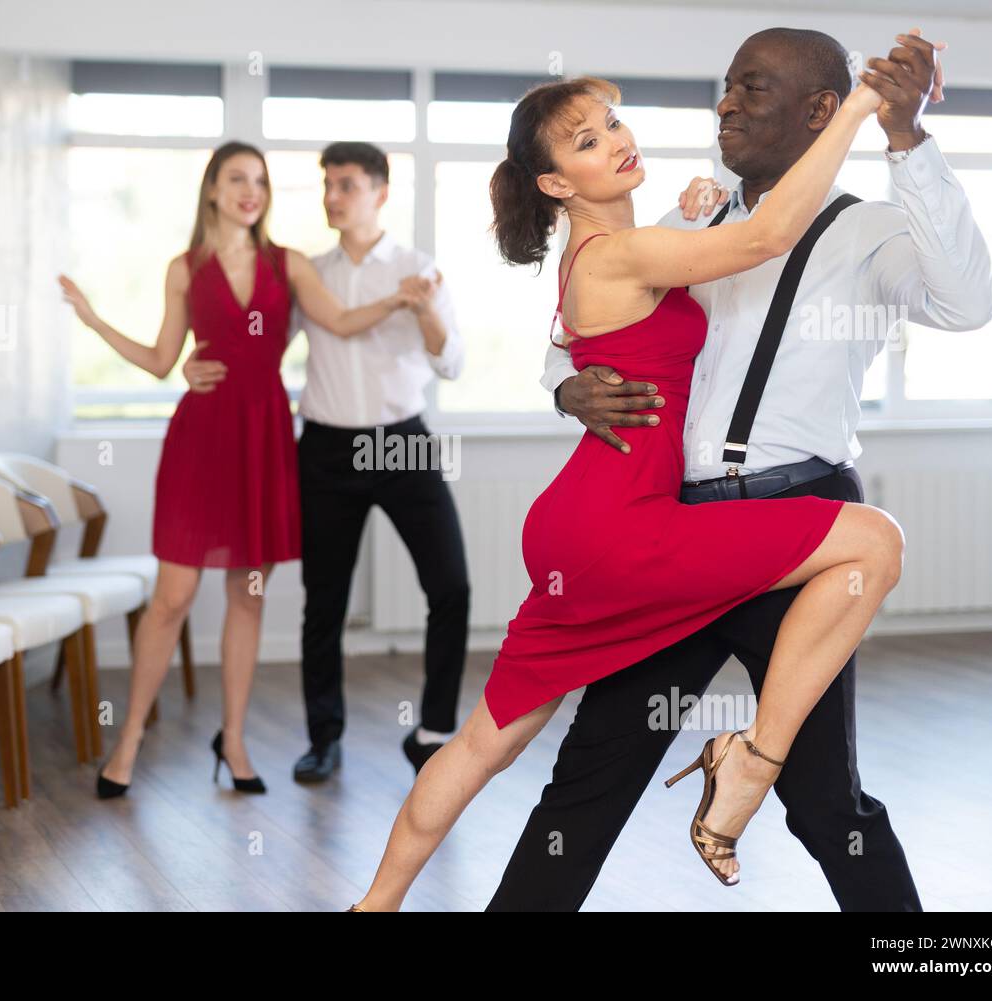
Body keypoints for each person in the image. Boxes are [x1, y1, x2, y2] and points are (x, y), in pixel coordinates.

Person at [347, 55, 906, 911]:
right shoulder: (618, 254)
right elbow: (764, 240)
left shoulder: (603, 255)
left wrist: (701, 208)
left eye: (611, 123)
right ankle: (748, 763)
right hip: (625, 525)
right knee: (872, 538)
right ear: (554, 182)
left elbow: (643, 315)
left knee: (479, 745)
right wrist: (860, 105)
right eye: (585, 140)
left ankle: (371, 906)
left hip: (584, 523)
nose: (614, 140)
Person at [488, 28, 992, 911]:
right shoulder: (690, 218)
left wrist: (907, 139)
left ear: (820, 112)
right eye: (726, 85)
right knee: (592, 779)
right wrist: (568, 390)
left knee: (826, 800)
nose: (726, 103)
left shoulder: (871, 230)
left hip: (798, 532)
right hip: (676, 533)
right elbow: (578, 333)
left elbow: (967, 299)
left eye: (751, 89)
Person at [58, 141, 430, 798]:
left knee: (246, 594)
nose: (251, 190)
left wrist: (402, 301)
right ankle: (130, 737)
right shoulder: (183, 268)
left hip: (262, 439)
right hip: (200, 441)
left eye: (259, 180)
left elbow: (340, 322)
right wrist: (91, 320)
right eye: (237, 178)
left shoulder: (284, 264)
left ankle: (232, 738)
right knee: (172, 596)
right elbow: (159, 357)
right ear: (212, 190)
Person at [291, 142, 470, 783]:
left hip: (402, 443)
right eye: (327, 185)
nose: (332, 197)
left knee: (451, 586)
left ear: (380, 193)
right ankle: (324, 738)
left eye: (345, 185)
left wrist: (422, 309)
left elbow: (450, 363)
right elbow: (261, 345)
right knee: (324, 603)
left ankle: (433, 731)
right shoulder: (309, 274)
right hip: (327, 447)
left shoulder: (420, 269)